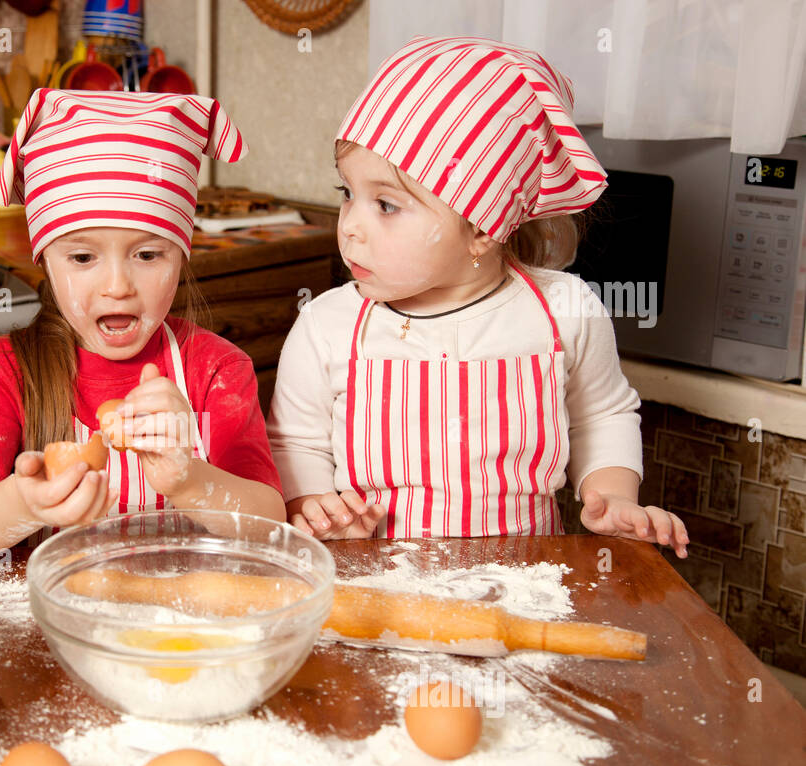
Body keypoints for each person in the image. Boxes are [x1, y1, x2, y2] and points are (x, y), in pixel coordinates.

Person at [267, 36, 688, 556]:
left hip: (527, 579)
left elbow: (602, 415)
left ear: (484, 227)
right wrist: (315, 505)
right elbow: (294, 443)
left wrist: (614, 497)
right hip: (373, 582)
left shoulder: (562, 311)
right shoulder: (326, 325)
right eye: (347, 193)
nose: (350, 226)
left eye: (387, 205)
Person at [0, 90, 284, 559]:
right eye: (82, 257)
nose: (117, 286)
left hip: (187, 622)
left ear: (181, 256)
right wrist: (27, 502)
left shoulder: (216, 370)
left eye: (147, 254)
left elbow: (270, 526)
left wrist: (189, 479)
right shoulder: (4, 372)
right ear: (45, 262)